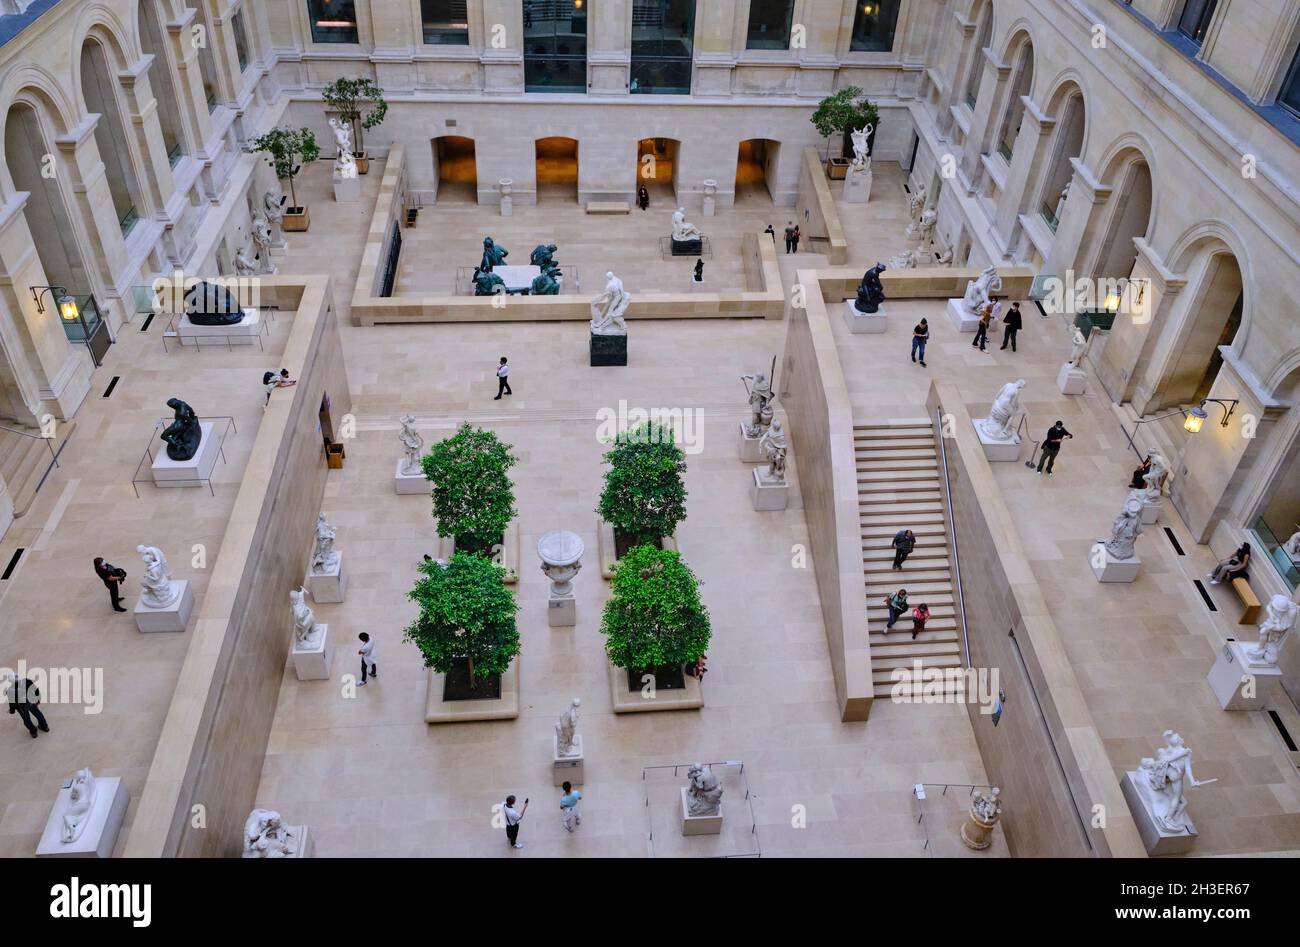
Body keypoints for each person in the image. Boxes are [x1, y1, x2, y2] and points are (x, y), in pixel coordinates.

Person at [6, 673, 48, 739]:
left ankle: (34, 732)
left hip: (21, 708)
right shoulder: (27, 681)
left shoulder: (10, 691)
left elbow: (12, 703)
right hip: (31, 702)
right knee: (38, 714)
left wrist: (12, 711)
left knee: (26, 719)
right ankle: (44, 727)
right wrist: (38, 699)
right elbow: (36, 690)